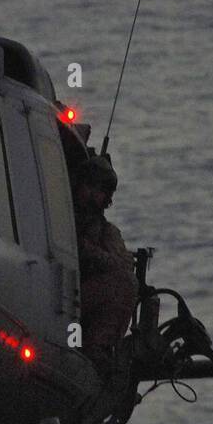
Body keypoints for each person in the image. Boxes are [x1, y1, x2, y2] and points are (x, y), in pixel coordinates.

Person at [72, 153, 138, 370]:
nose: (92, 194)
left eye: (99, 190)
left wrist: (91, 253)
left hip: (80, 304)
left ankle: (98, 348)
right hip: (62, 296)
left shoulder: (107, 233)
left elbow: (121, 268)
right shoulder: (64, 219)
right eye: (89, 186)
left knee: (124, 284)